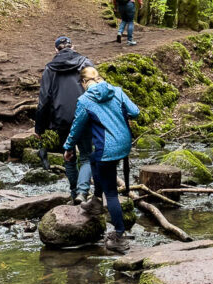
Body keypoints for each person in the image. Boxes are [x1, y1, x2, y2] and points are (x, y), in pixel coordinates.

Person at [64, 66, 139, 253]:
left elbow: (77, 126)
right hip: (124, 142)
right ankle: (96, 201)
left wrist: (68, 147)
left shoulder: (85, 100)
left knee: (111, 193)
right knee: (94, 160)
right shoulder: (117, 91)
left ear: (83, 83)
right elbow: (135, 112)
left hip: (107, 147)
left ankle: (119, 235)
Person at [35, 36, 94, 204]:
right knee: (86, 157)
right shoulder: (86, 63)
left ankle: (75, 193)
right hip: (85, 115)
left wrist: (39, 128)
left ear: (56, 50)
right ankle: (83, 192)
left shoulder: (50, 69)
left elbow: (44, 100)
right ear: (73, 46)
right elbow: (97, 90)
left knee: (68, 156)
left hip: (61, 118)